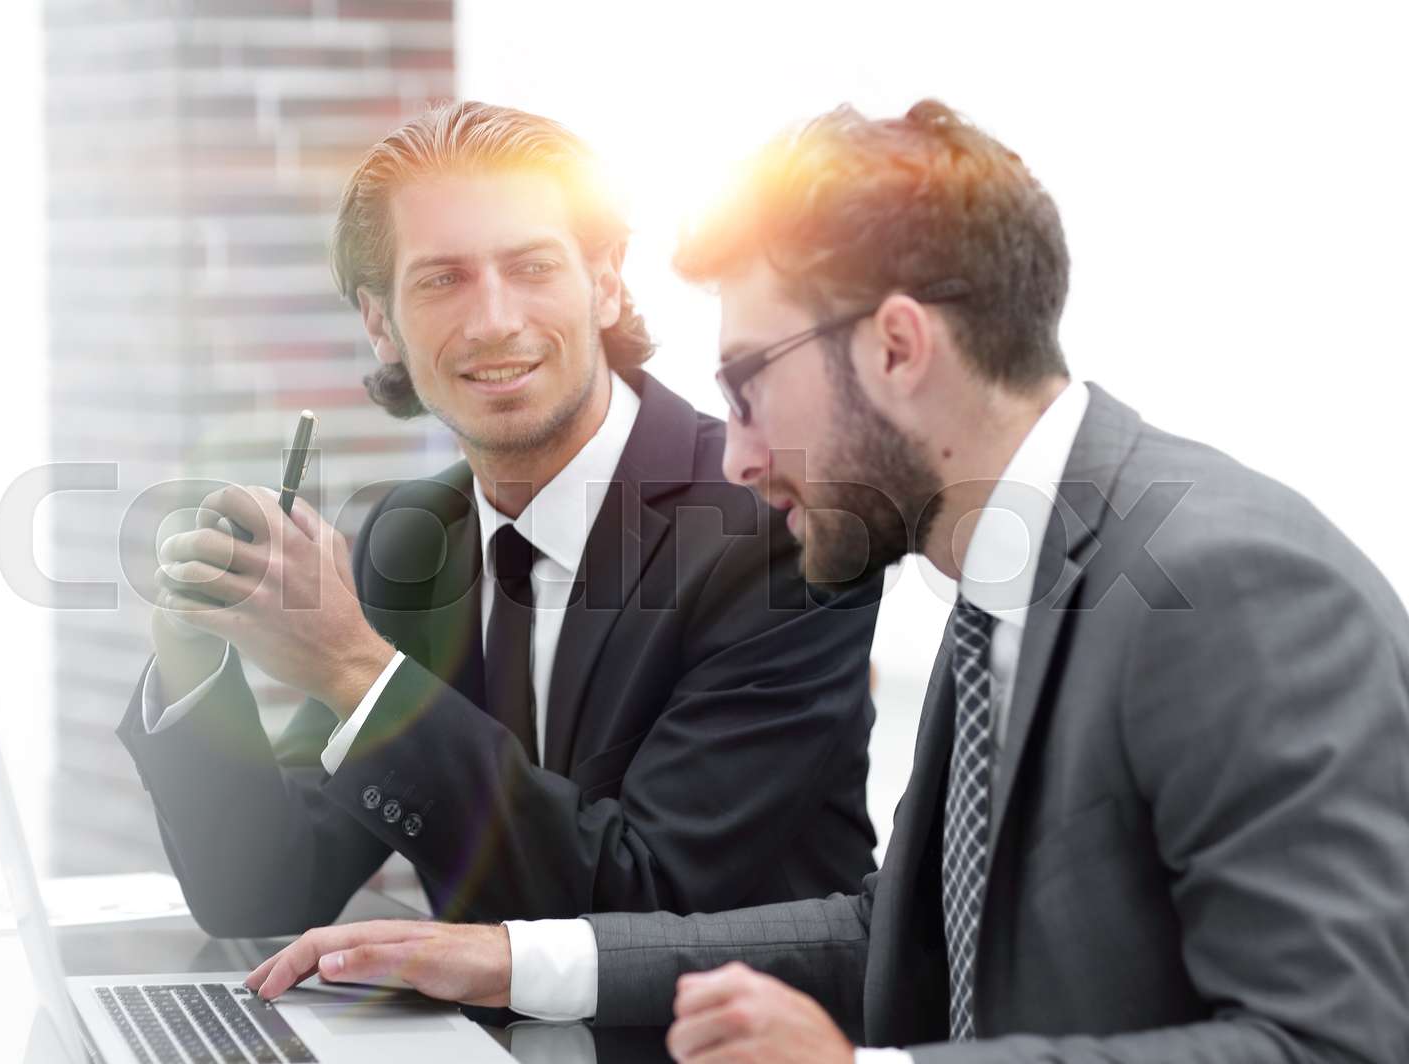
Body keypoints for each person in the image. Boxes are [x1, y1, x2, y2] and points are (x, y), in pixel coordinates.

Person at [244, 100, 1409, 1063]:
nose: (737, 456)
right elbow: (897, 933)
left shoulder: (1228, 586)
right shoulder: (1001, 590)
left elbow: (1336, 1045)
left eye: (748, 382)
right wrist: (515, 958)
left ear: (897, 347)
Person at [116, 101, 884, 935]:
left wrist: (354, 669)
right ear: (381, 325)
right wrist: (189, 657)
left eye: (531, 267)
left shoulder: (775, 526)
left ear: (606, 283)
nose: (494, 321)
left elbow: (645, 894)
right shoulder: (412, 533)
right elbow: (266, 891)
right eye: (443, 279)